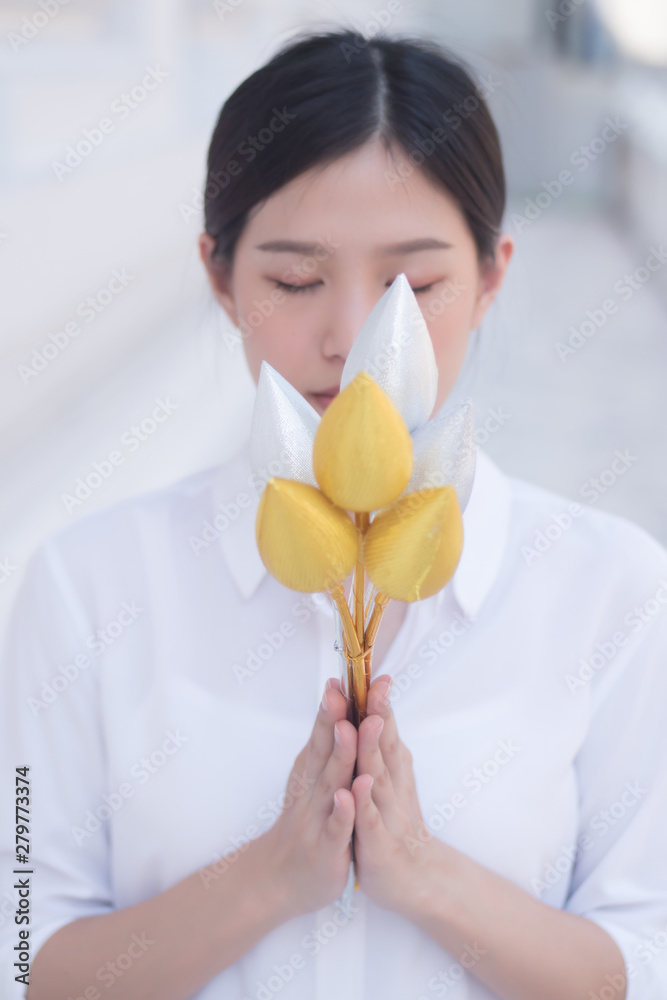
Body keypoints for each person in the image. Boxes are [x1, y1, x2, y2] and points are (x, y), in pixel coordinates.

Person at [1, 26, 666, 1000]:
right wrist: (271, 876)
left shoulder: (610, 587)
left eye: (415, 286)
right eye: (295, 280)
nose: (354, 340)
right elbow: (26, 959)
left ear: (490, 278)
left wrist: (426, 875)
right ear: (220, 278)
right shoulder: (87, 587)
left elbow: (643, 967)